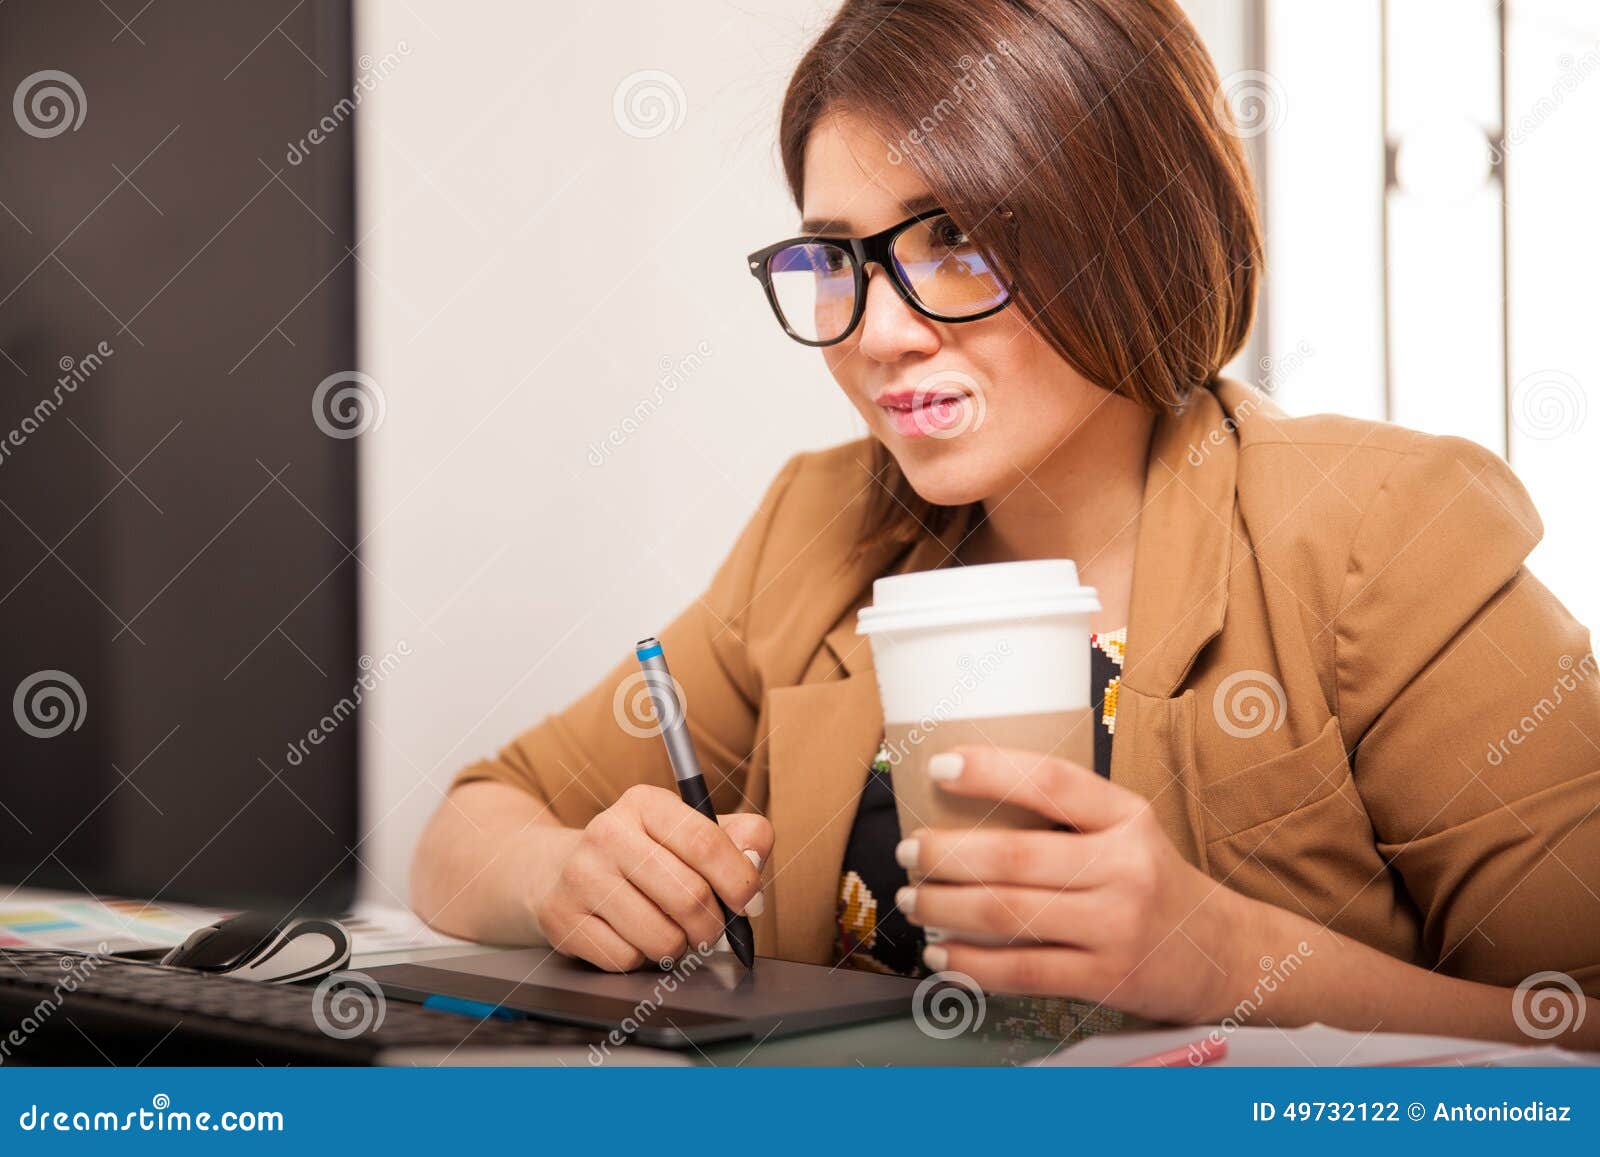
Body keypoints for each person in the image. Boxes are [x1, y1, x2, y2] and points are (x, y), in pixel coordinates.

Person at [411, 0, 1600, 1046]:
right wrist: (565, 874)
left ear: (1137, 229)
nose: (879, 335)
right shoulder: (815, 531)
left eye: (959, 238)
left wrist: (1234, 963)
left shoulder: (1378, 533)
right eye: (837, 257)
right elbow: (468, 828)